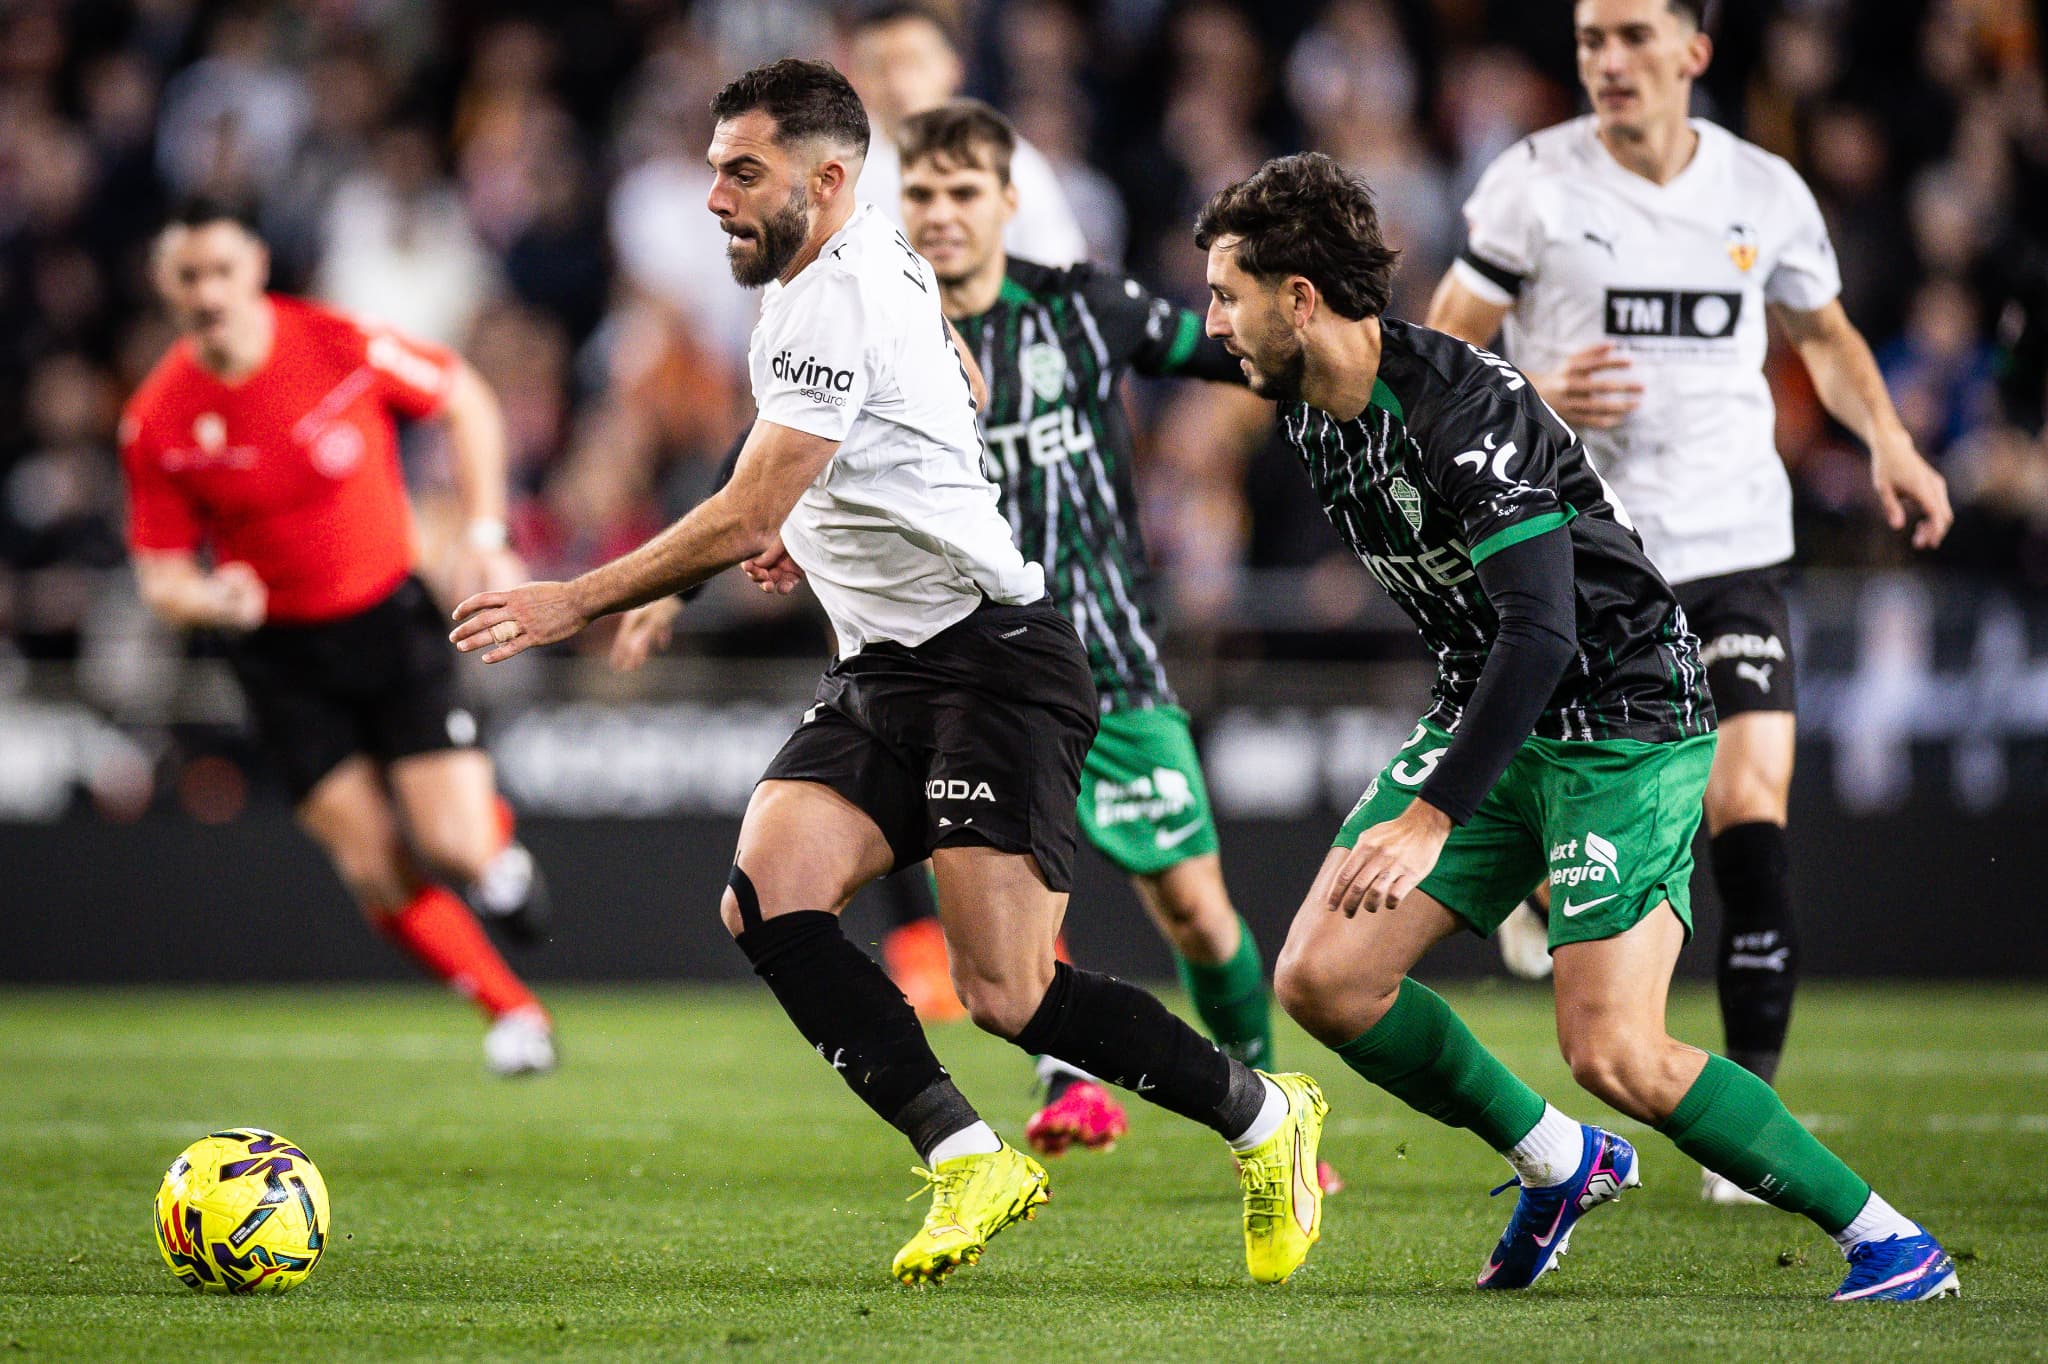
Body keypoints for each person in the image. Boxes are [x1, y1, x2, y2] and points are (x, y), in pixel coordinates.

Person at [451, 59, 1328, 1288]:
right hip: (884, 665)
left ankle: (1263, 1116)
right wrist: (817, 525)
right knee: (766, 895)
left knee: (1010, 990)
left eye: (739, 171)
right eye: (712, 168)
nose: (711, 198)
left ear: (825, 177)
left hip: (992, 661)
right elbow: (945, 392)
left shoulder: (831, 295)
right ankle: (966, 1152)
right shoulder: (856, 266)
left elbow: (754, 490)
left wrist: (579, 596)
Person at [1197, 150, 1959, 1302]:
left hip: (1621, 711)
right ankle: (1559, 1160)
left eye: (1223, 293)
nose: (1212, 323)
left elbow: (1543, 631)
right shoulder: (1313, 419)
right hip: (1495, 701)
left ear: (1297, 297)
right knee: (1322, 977)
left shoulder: (1461, 413)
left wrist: (1429, 813)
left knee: (1613, 1050)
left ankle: (1888, 1238)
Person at [1423, 0, 1954, 1203]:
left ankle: (1748, 1119)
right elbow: (1441, 346)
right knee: (1594, 795)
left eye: (1629, 37)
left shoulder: (1762, 191)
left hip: (1728, 547)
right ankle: (1551, 878)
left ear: (1692, 52)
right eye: (1587, 41)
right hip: (1590, 558)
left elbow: (1821, 333)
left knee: (1747, 795)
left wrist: (1890, 445)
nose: (1606, 61)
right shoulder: (1531, 185)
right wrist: (1533, 384)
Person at [120, 198, 556, 1076]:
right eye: (188, 277)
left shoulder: (337, 346)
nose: (207, 292)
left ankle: (494, 848)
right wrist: (211, 600)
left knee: (453, 846)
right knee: (373, 862)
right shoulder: (159, 420)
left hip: (387, 621)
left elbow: (464, 399)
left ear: (256, 271)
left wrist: (481, 530)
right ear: (165, 288)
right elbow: (161, 579)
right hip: (278, 654)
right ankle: (512, 1013)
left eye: (221, 271)